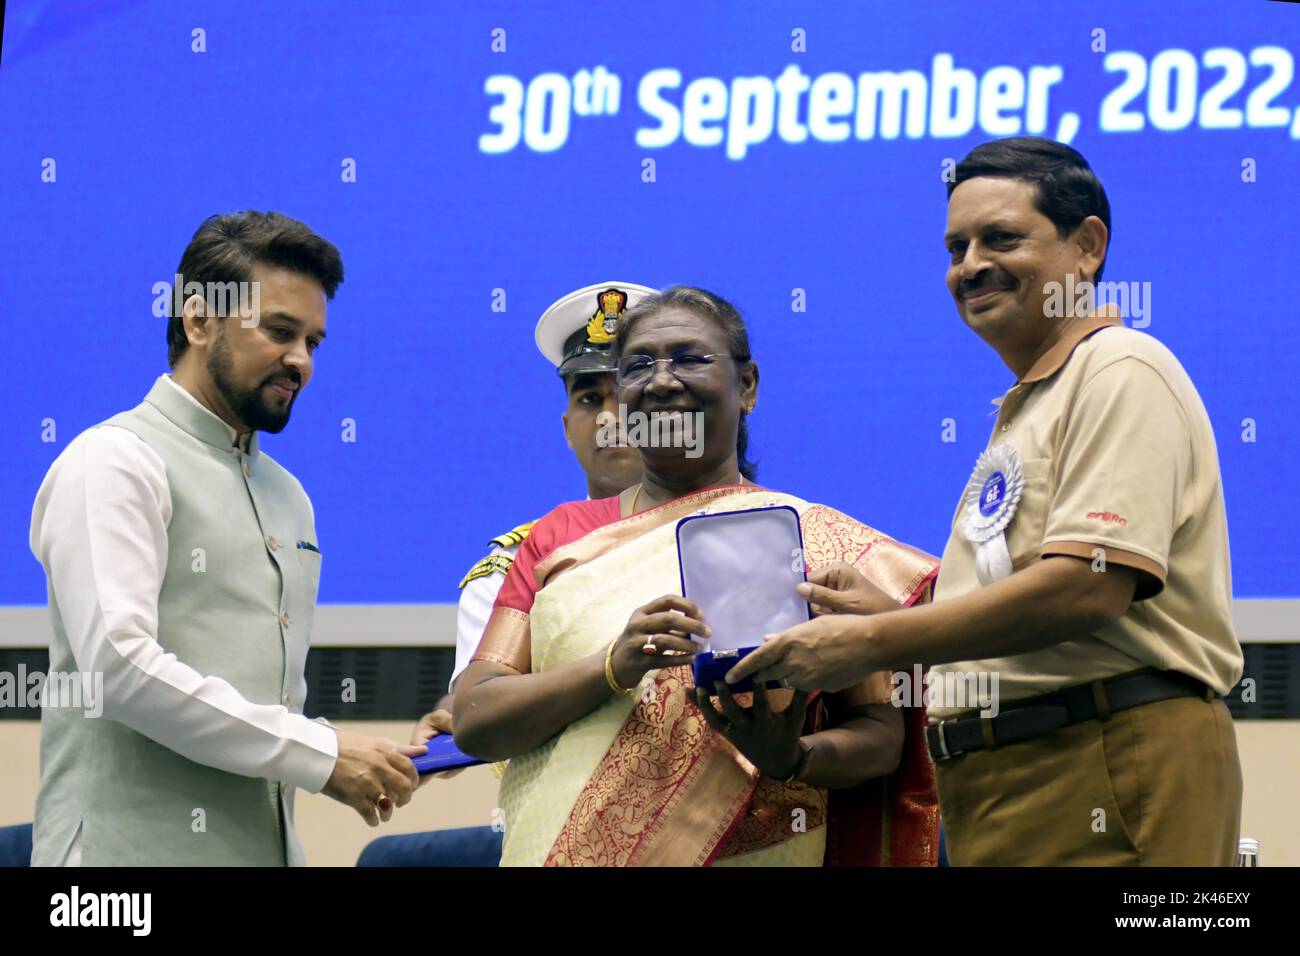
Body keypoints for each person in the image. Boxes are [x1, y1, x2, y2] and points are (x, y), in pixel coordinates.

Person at [731, 138, 1244, 866]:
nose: (969, 265)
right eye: (956, 246)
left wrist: (874, 644)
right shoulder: (1030, 403)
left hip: (1105, 757)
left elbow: (1088, 585)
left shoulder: (1122, 369)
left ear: (1088, 245)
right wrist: (892, 619)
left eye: (1001, 238)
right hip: (1004, 778)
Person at [453, 286, 940, 867]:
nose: (661, 381)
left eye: (689, 359)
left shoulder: (822, 542)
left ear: (749, 385)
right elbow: (476, 720)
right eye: (638, 366)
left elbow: (881, 736)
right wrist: (612, 666)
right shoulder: (558, 538)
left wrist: (793, 757)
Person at [29, 211, 423, 866]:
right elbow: (118, 667)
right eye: (279, 331)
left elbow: (266, 707)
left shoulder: (288, 496)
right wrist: (321, 754)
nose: (299, 360)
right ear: (199, 319)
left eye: (314, 343)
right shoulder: (113, 460)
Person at [406, 282, 651, 744]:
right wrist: (452, 714)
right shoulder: (514, 567)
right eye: (589, 399)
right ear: (567, 430)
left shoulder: (727, 530)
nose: (608, 417)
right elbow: (479, 703)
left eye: (624, 395)